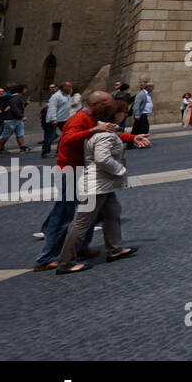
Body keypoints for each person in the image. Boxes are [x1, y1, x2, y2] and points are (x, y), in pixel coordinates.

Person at [34, 92, 149, 272]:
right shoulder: (79, 119)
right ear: (97, 104)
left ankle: (87, 248)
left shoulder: (95, 119)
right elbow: (67, 141)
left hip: (84, 170)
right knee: (64, 215)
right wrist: (91, 131)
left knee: (103, 212)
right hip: (72, 170)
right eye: (108, 104)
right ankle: (47, 258)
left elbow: (109, 134)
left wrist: (132, 137)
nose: (111, 108)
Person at [55, 99, 140, 275]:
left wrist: (132, 138)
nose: (125, 115)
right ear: (114, 114)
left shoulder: (104, 130)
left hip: (103, 185)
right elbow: (102, 158)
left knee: (113, 213)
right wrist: (120, 169)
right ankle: (66, 262)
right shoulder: (105, 134)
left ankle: (115, 249)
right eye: (123, 112)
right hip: (96, 185)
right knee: (82, 223)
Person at [0, 85, 29, 154]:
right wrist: (21, 117)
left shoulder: (17, 97)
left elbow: (18, 107)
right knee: (4, 136)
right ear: (21, 90)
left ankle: (22, 147)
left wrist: (26, 104)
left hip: (17, 119)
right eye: (25, 89)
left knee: (20, 133)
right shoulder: (15, 98)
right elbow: (14, 108)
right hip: (11, 119)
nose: (26, 91)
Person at [44, 82, 72, 158]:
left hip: (64, 119)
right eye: (69, 87)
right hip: (54, 119)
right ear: (64, 88)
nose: (71, 88)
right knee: (49, 136)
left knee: (65, 135)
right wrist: (53, 119)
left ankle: (59, 151)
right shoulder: (56, 96)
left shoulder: (68, 95)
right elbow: (52, 108)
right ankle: (45, 153)